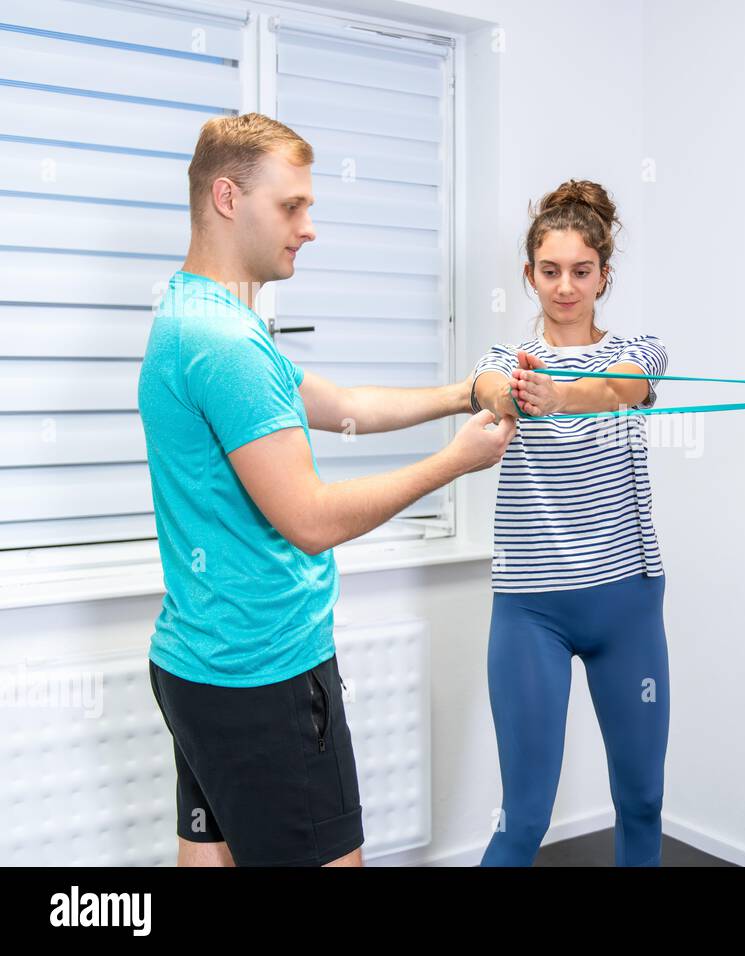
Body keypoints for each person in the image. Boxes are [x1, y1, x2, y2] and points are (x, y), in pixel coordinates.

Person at [138, 112, 514, 867]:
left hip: (197, 663)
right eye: (292, 206)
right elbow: (309, 519)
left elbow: (344, 408)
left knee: (209, 853)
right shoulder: (225, 345)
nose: (309, 227)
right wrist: (456, 464)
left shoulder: (197, 314)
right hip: (265, 676)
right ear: (226, 198)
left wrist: (463, 393)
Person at [470, 179, 671, 866]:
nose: (565, 287)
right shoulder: (504, 363)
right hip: (531, 613)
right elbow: (492, 391)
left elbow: (618, 388)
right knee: (523, 818)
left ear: (603, 276)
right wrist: (512, 393)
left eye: (581, 271)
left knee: (643, 801)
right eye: (550, 271)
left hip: (628, 605)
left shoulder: (640, 350)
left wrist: (561, 395)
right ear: (530, 275)